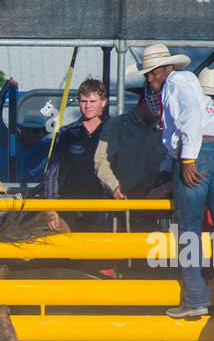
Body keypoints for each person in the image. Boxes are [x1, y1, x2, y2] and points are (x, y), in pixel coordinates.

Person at [137, 43, 214, 319]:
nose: (149, 78)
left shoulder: (176, 83)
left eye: (153, 72)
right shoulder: (187, 81)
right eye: (147, 73)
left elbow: (190, 119)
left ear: (167, 68)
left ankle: (196, 297)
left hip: (199, 151)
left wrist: (187, 160)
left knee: (189, 228)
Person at [93, 90, 171, 231]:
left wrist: (162, 189)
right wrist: (116, 187)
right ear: (147, 102)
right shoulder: (117, 125)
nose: (162, 112)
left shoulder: (163, 130)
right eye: (158, 106)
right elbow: (101, 160)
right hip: (119, 209)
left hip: (152, 210)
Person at [44, 78, 109, 232]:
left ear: (103, 102)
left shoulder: (112, 132)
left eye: (93, 101)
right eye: (83, 101)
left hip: (105, 207)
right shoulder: (66, 134)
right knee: (67, 253)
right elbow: (52, 173)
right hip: (69, 206)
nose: (88, 106)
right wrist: (50, 208)